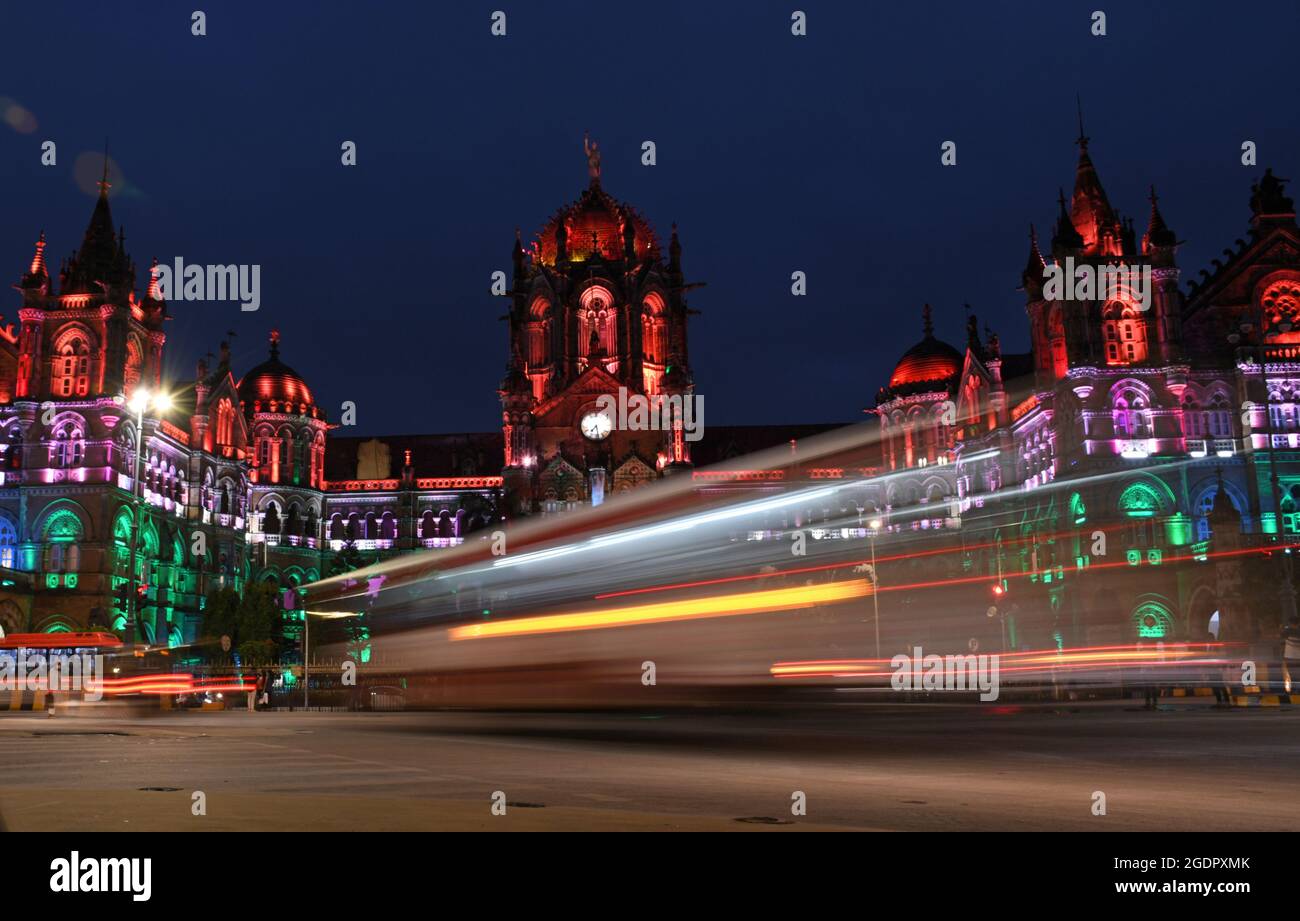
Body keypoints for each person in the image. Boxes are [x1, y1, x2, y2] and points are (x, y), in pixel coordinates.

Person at [1282, 617, 1300, 695]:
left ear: (1290, 623)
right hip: (1298, 657)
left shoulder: (1286, 632)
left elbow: (1281, 640)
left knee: (1291, 674)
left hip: (1289, 656)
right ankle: (1297, 688)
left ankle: (1293, 689)